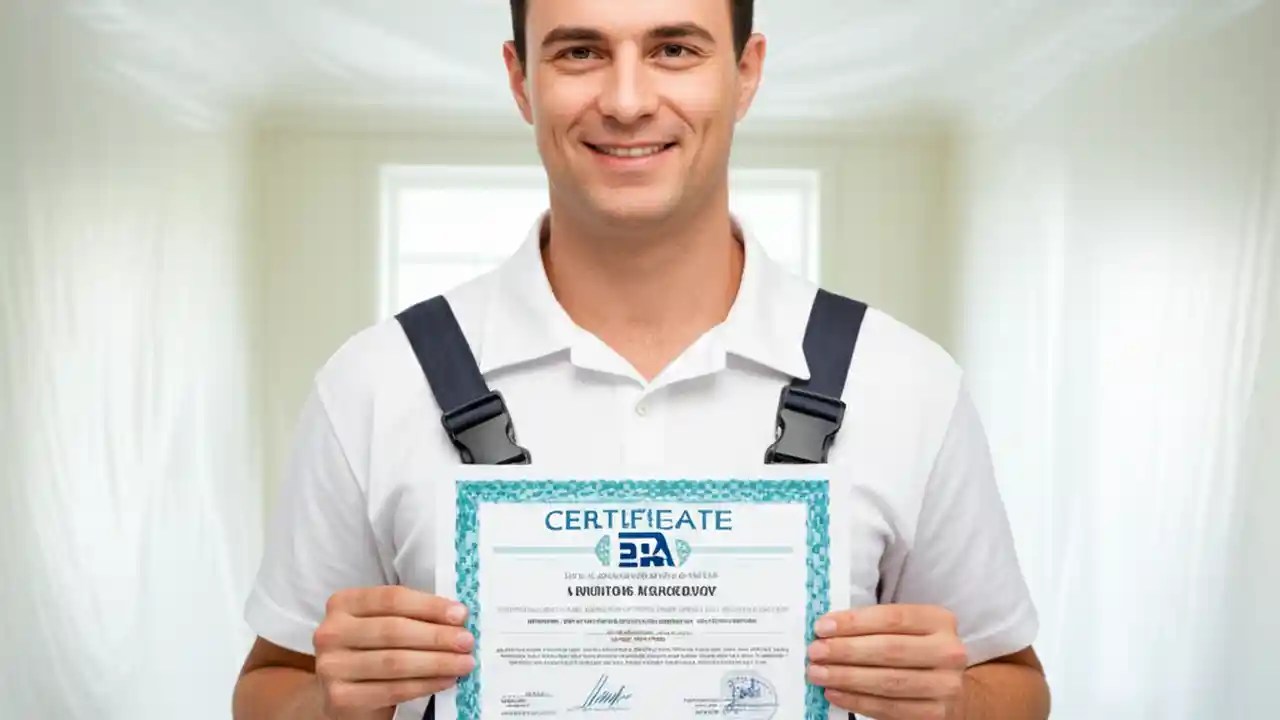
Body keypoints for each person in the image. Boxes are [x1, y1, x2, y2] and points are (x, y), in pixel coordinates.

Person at [232, 0, 1051, 718]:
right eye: (579, 51)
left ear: (746, 71)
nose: (626, 101)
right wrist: (333, 706)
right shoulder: (375, 382)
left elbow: (1013, 686)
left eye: (675, 49)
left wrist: (956, 709)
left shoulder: (906, 383)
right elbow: (270, 687)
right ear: (521, 80)